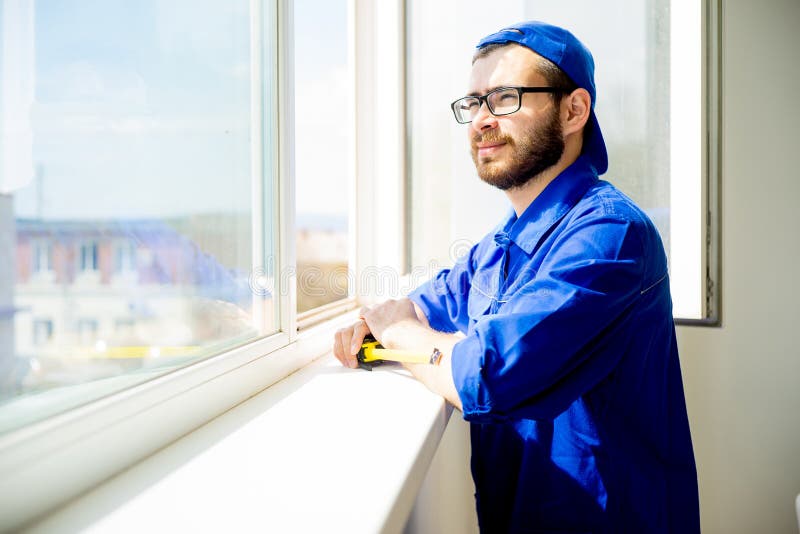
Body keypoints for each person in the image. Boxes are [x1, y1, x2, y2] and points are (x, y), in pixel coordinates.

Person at [333, 20, 700, 533]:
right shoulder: (504, 243)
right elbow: (428, 303)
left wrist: (396, 332)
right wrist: (383, 321)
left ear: (574, 110)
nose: (481, 121)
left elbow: (485, 374)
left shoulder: (610, 234)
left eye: (504, 98)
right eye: (473, 103)